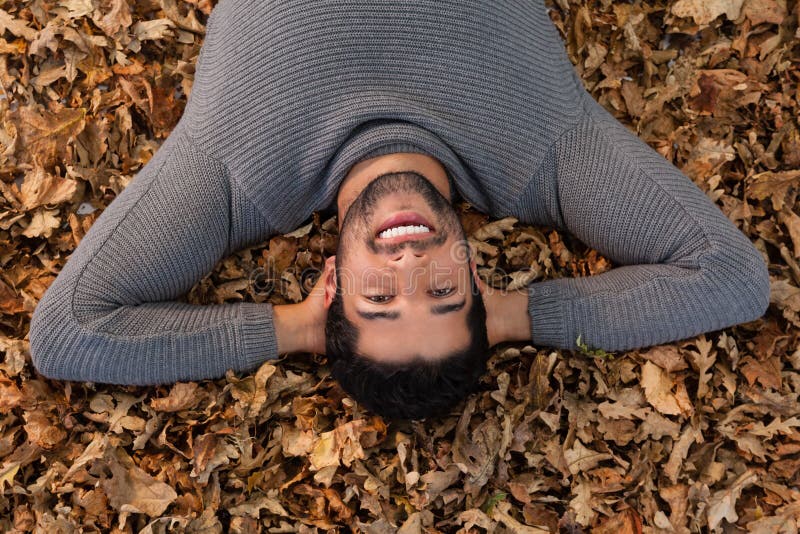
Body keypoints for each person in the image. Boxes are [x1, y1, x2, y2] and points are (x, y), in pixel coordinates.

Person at [28, 0, 770, 420]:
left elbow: (70, 331)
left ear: (331, 283)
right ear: (472, 272)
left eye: (380, 298)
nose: (409, 265)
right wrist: (510, 316)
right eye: (443, 293)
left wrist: (291, 330)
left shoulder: (235, 171)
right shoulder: (543, 150)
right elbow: (731, 277)